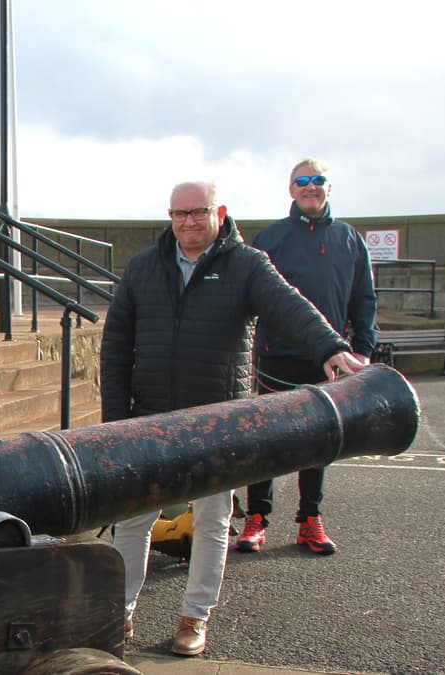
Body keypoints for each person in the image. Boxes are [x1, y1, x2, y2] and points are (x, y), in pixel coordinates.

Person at [100, 179, 368, 657]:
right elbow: (116, 349)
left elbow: (290, 306)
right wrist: (115, 424)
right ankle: (117, 613)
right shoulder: (144, 268)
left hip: (216, 420)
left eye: (197, 212)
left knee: (211, 520)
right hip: (149, 418)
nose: (187, 222)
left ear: (220, 212)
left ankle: (193, 617)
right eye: (178, 214)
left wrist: (332, 348)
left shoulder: (247, 265)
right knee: (133, 520)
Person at [236, 159, 377, 556]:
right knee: (267, 439)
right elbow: (247, 295)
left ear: (329, 188)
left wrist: (362, 348)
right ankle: (257, 518)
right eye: (303, 181)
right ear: (291, 189)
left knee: (320, 441)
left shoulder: (350, 239)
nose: (310, 187)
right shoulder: (272, 237)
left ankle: (310, 519)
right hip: (275, 354)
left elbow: (364, 298)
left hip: (328, 359)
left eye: (318, 181)